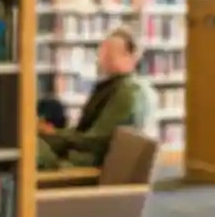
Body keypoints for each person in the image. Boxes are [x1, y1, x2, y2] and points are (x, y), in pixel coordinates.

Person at [37, 27, 150, 169]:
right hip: (81, 154)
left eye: (109, 53)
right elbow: (88, 133)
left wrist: (54, 134)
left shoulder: (128, 93)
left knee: (28, 148)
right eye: (102, 52)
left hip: (84, 163)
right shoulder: (116, 86)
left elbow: (96, 141)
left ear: (129, 55)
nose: (100, 58)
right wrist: (54, 134)